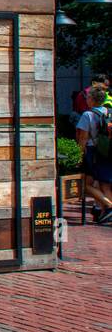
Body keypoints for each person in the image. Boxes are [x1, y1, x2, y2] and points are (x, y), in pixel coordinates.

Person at [76, 83, 112, 225]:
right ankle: (105, 213)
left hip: (93, 152)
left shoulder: (87, 115)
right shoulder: (109, 112)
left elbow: (83, 138)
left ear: (92, 99)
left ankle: (108, 205)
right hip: (108, 151)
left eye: (88, 97)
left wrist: (79, 155)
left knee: (85, 184)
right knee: (105, 185)